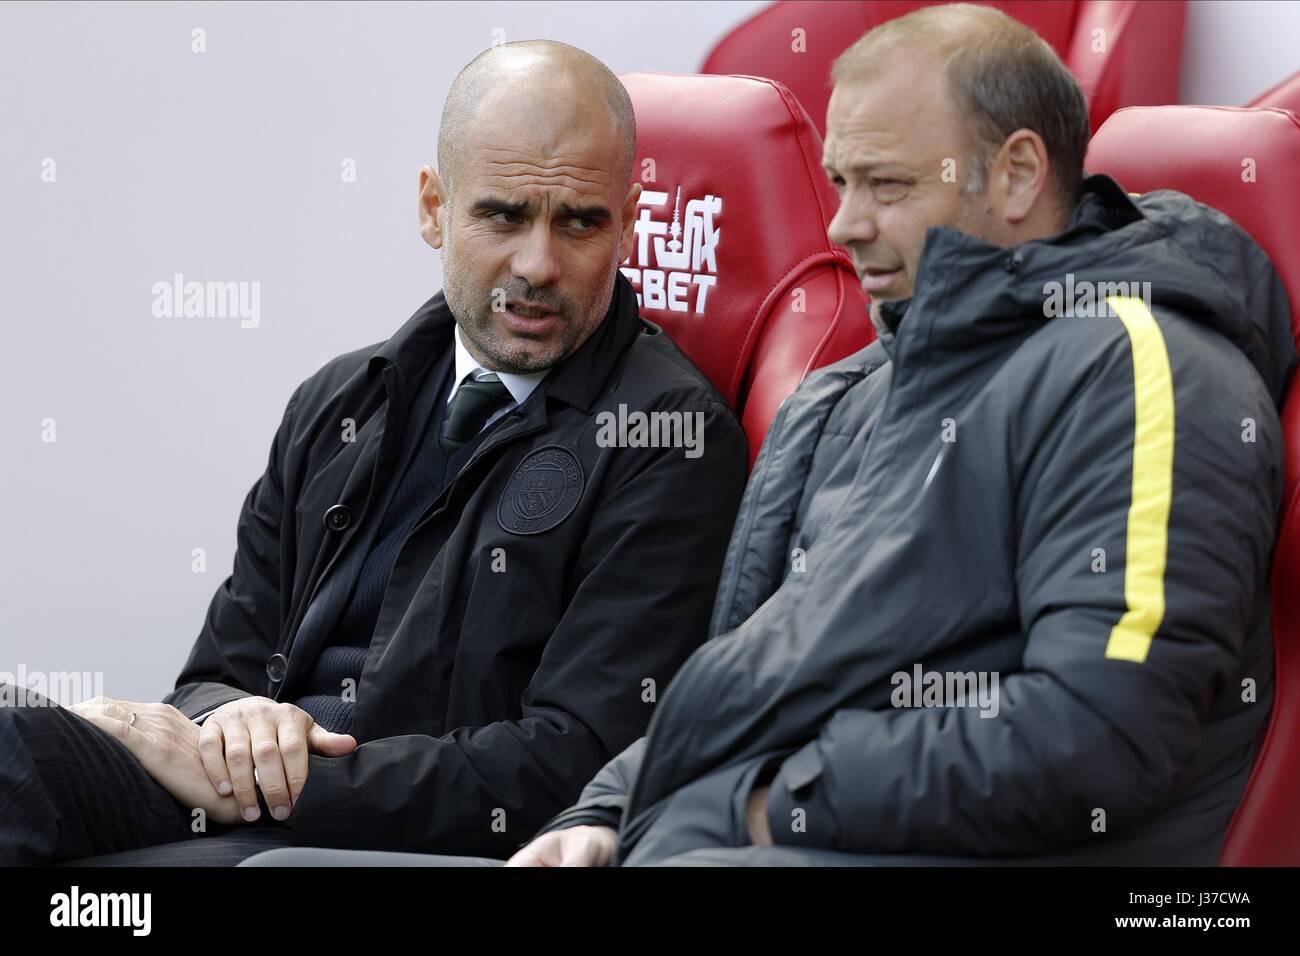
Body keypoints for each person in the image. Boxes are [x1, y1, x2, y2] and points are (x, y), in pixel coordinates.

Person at [246, 3, 1293, 868]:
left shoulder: (1143, 369)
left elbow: (1096, 740)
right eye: (839, 181)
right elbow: (740, 676)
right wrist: (602, 812)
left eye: (885, 185)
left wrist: (757, 805)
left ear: (1016, 175)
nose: (840, 226)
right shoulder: (847, 395)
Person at [0, 39, 748, 866]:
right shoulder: (341, 397)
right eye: (502, 215)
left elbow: (578, 762)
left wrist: (281, 784)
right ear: (433, 207)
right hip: (240, 803)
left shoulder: (669, 438)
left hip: (369, 841)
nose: (539, 263)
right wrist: (232, 721)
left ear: (628, 224)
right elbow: (217, 672)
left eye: (580, 222)